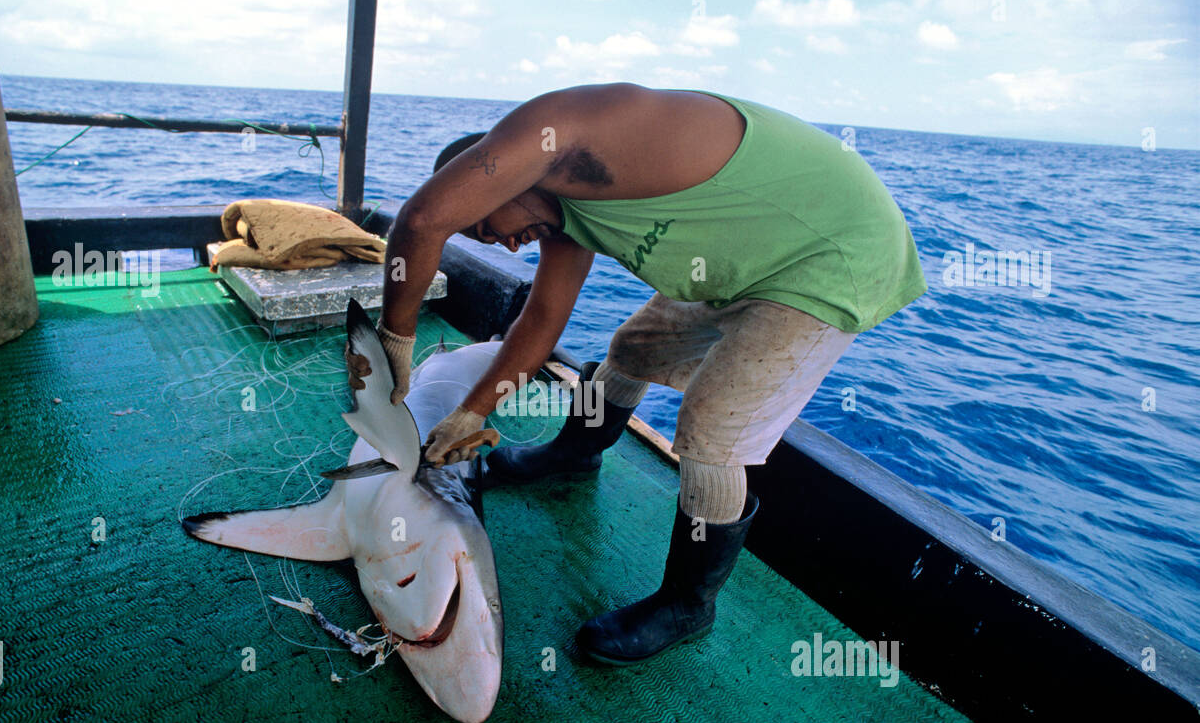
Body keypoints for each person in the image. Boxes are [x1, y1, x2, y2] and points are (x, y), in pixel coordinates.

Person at [348, 82, 926, 666]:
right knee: (632, 350)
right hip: (748, 264)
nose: (504, 246)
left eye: (485, 228)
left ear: (493, 180)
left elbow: (422, 220)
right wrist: (472, 412)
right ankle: (577, 452)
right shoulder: (565, 218)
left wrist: (393, 345)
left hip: (834, 253)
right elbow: (541, 320)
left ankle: (688, 602)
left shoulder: (572, 130)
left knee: (713, 433)